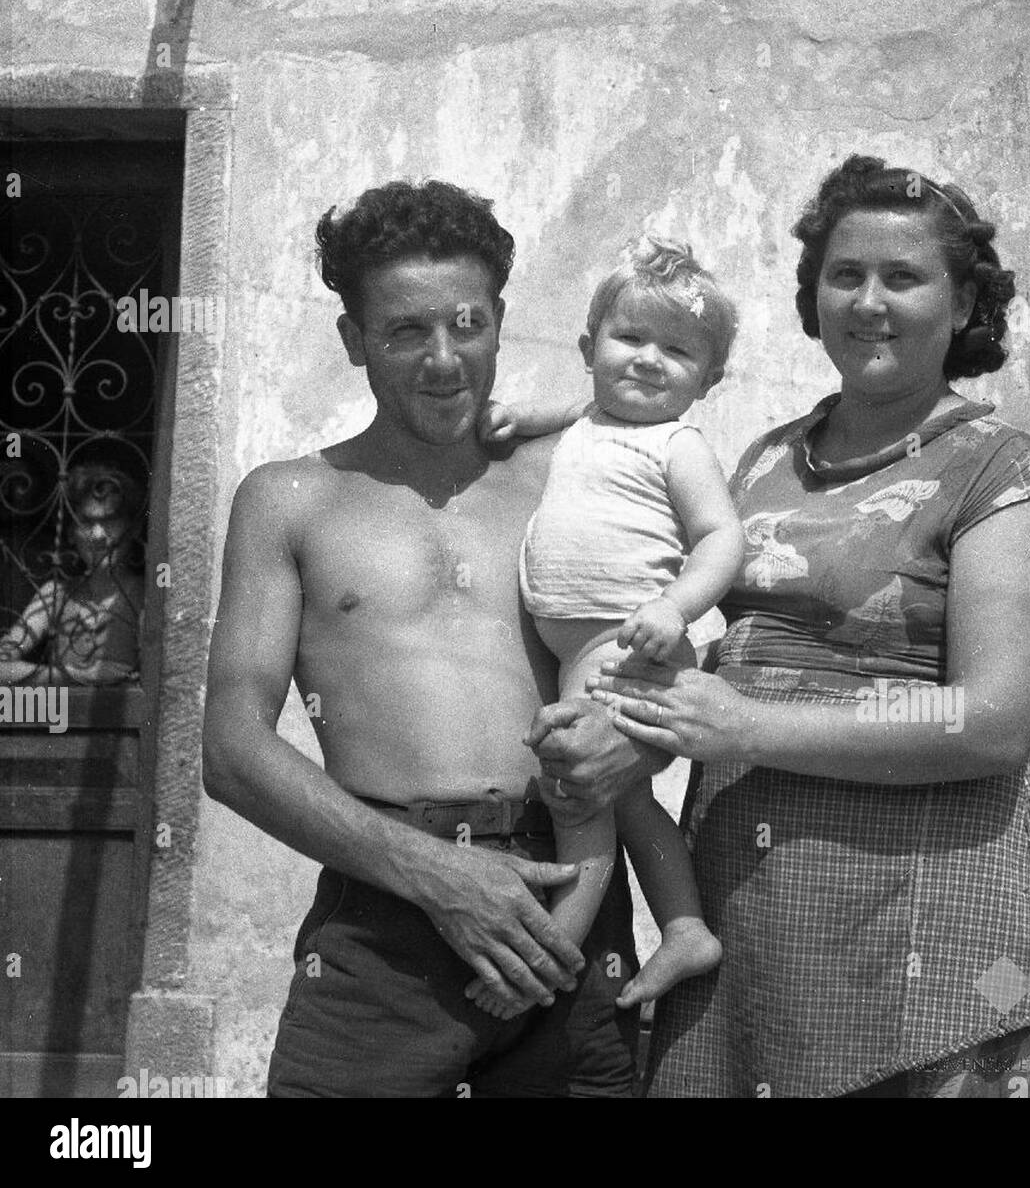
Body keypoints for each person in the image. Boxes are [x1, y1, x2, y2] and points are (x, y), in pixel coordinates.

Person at [530, 154, 1030, 1097]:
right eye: (845, 274)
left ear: (961, 304)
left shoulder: (996, 469)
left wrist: (750, 728)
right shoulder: (765, 461)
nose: (868, 301)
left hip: (912, 935)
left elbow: (987, 721)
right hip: (751, 930)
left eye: (903, 277)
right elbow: (721, 661)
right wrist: (631, 729)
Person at [202, 179, 640, 1098]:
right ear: (354, 339)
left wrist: (631, 738)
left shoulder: (570, 476)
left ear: (499, 322)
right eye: (406, 332)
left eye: (467, 324)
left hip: (569, 897)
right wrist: (435, 874)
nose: (444, 360)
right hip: (385, 923)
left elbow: (671, 650)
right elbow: (233, 751)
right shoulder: (291, 500)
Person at [477, 238, 741, 1018]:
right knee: (625, 799)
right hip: (579, 644)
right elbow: (561, 411)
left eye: (678, 351)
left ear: (710, 379)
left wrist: (675, 608)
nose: (650, 360)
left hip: (627, 641)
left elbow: (721, 536)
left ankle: (556, 945)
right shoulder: (587, 419)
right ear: (589, 350)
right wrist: (516, 416)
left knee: (576, 789)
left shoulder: (677, 445)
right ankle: (685, 927)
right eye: (631, 338)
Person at [0, 462, 144, 686]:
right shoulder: (55, 594)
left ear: (133, 528)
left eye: (110, 521)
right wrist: (79, 676)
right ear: (70, 533)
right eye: (86, 522)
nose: (98, 535)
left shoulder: (147, 594)